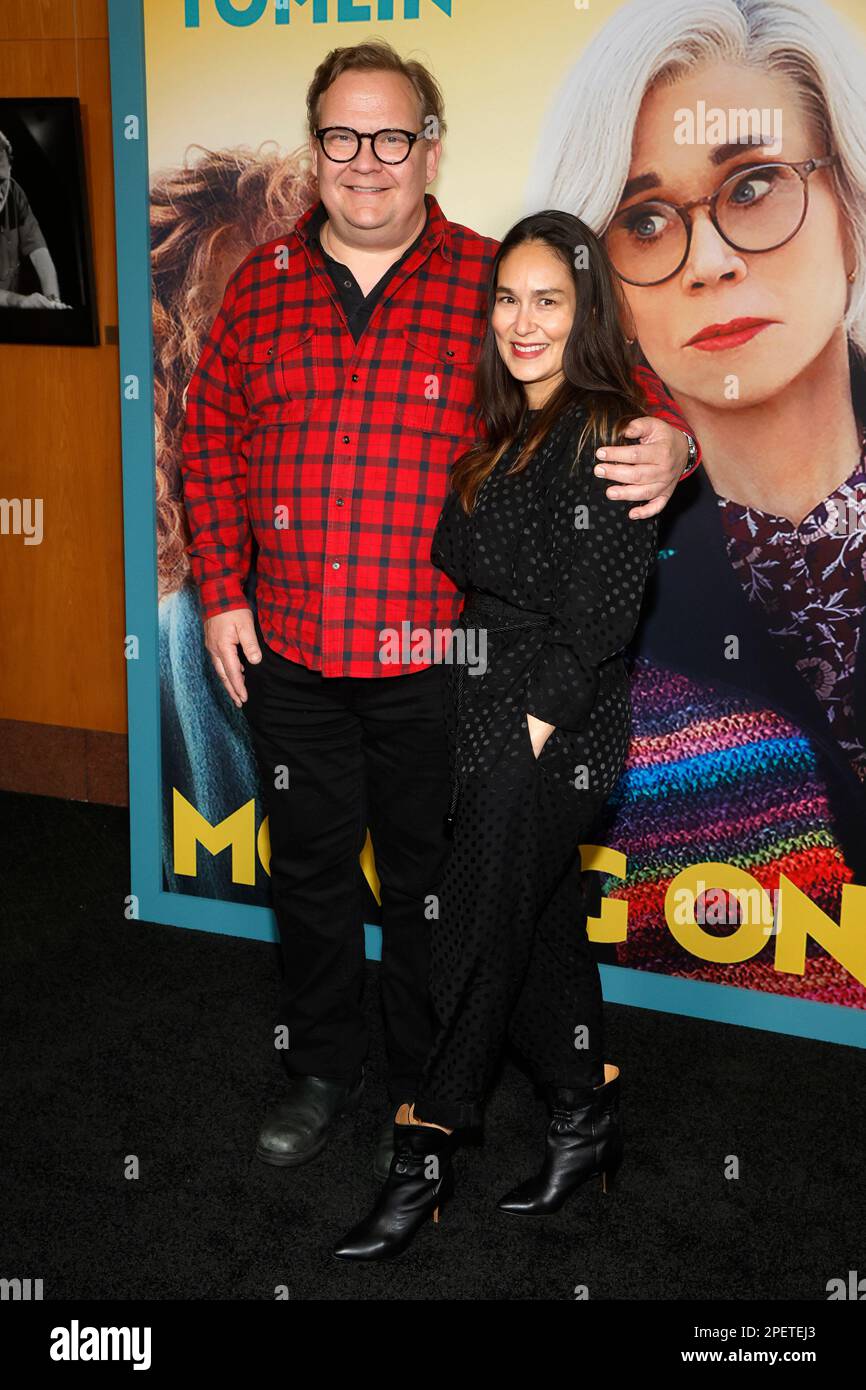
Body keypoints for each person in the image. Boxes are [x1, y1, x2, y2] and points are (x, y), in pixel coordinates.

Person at [180, 39, 700, 1185]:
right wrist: (220, 590)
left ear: (431, 148)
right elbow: (205, 443)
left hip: (441, 663)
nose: (366, 160)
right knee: (309, 876)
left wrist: (675, 432)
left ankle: (422, 1087)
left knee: (433, 886)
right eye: (341, 136)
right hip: (293, 654)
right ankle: (318, 1067)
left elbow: (610, 365)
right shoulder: (254, 294)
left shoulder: (486, 281)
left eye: (391, 135)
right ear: (315, 149)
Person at [333, 211, 659, 1261]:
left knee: (464, 933)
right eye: (506, 298)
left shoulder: (610, 432)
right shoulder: (507, 429)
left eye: (547, 300)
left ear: (586, 312)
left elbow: (598, 626)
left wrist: (514, 742)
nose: (521, 321)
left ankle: (423, 1147)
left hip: (552, 727)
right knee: (541, 914)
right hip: (477, 707)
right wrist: (463, 717)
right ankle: (580, 1116)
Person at [524, 0, 866, 1000]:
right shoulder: (579, 543)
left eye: (752, 186)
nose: (708, 260)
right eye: (642, 220)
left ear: (845, 192)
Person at [0, 130, 69, 308]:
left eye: (2, 182)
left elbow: (39, 251)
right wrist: (21, 301)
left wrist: (53, 303)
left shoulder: (14, 193)